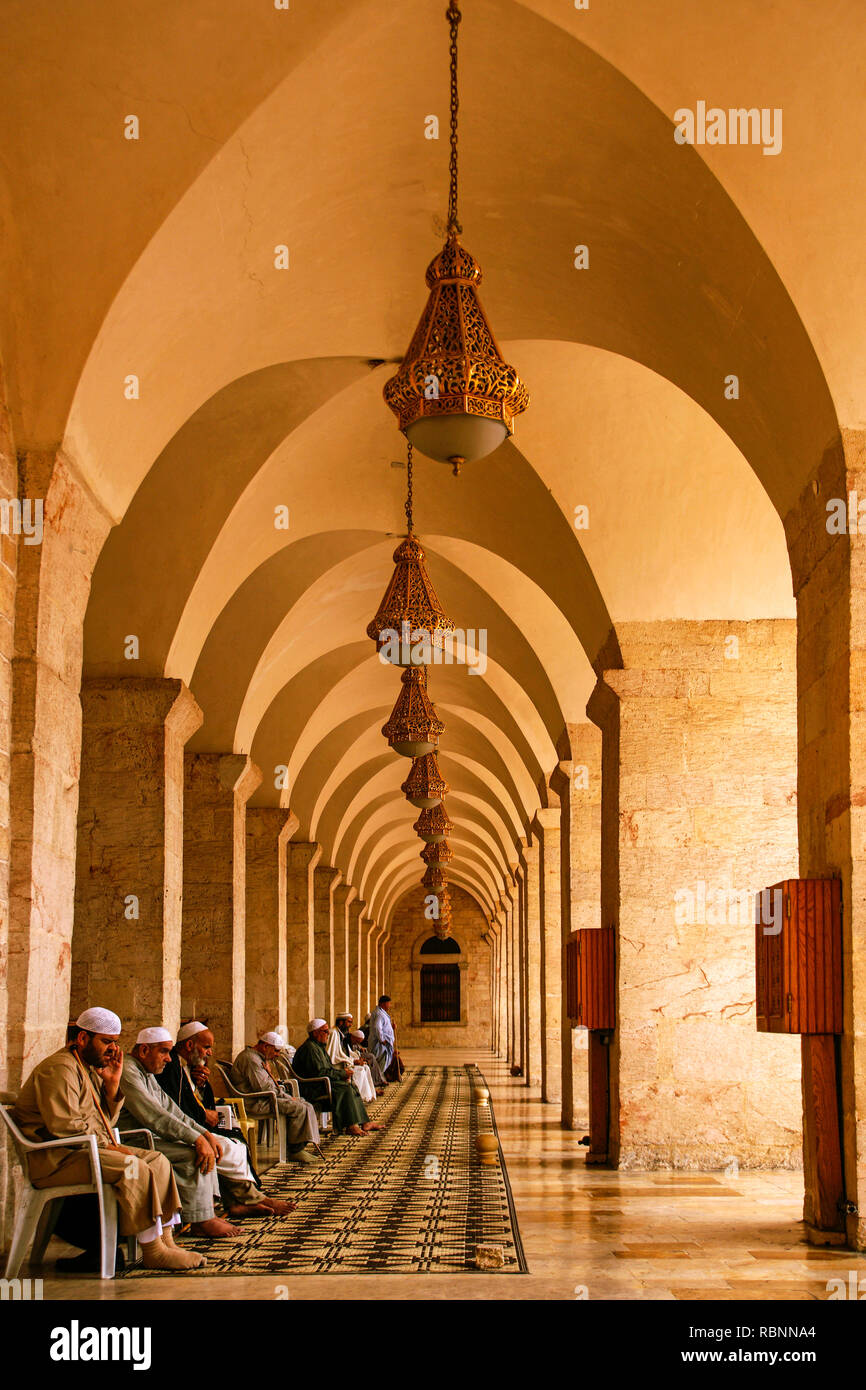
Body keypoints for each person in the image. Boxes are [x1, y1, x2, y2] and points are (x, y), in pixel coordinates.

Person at [12, 1007, 202, 1273]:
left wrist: (112, 1087)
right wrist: (112, 1147)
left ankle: (166, 1240)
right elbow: (66, 1127)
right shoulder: (59, 1069)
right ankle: (153, 1250)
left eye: (115, 1042)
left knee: (157, 1160)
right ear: (82, 1039)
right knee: (134, 1167)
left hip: (83, 1150)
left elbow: (103, 1123)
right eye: (106, 1042)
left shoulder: (86, 1068)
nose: (112, 1049)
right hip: (55, 1159)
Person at [120, 1027, 293, 1238]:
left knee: (212, 1145)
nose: (168, 1059)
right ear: (145, 1050)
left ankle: (218, 1208)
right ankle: (201, 1220)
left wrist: (203, 1134)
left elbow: (171, 1109)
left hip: (152, 1133)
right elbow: (155, 1115)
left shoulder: (144, 1071)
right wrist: (197, 1138)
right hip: (136, 1138)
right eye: (164, 1052)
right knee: (194, 1153)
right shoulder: (128, 1072)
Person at [158, 1020, 261, 1185]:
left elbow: (194, 1098)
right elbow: (174, 1106)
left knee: (236, 1144)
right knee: (230, 1149)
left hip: (197, 1126)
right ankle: (245, 1199)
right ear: (190, 1045)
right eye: (206, 1047)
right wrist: (203, 1114)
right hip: (186, 1130)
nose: (210, 1053)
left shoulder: (189, 1067)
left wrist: (201, 1085)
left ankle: (245, 1198)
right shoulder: (172, 1068)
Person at [232, 1031, 322, 1164]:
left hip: (265, 1098)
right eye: (275, 1051)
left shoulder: (258, 1058)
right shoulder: (251, 1059)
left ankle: (301, 1146)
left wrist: (284, 1093)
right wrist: (285, 1095)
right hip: (254, 1102)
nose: (277, 1055)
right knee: (298, 1107)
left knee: (305, 1104)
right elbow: (263, 1088)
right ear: (265, 1046)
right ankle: (295, 1150)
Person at [291, 1020, 384, 1136]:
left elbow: (327, 1068)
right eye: (325, 1031)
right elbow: (320, 1073)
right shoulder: (310, 1049)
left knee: (352, 1086)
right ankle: (351, 1125)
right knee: (344, 1089)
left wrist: (342, 1074)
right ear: (315, 1033)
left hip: (321, 1082)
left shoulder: (318, 1046)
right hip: (312, 1086)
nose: (328, 1034)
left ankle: (364, 1122)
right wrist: (341, 1074)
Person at [327, 1013, 377, 1101]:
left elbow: (344, 1052)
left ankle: (368, 1096)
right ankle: (354, 1098)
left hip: (343, 1062)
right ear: (341, 1022)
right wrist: (353, 1062)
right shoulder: (333, 1033)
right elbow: (333, 1055)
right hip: (337, 1066)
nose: (350, 1025)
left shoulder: (339, 1033)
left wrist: (355, 1059)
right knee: (360, 1071)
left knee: (365, 1067)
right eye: (349, 1022)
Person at [367, 995, 396, 1076]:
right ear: (384, 1003)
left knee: (382, 1062)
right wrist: (382, 1039)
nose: (390, 1006)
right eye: (389, 1003)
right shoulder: (379, 1013)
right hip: (380, 1044)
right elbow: (377, 1027)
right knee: (380, 1062)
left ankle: (379, 1079)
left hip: (383, 1043)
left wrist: (391, 1027)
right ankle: (377, 1080)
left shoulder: (380, 1012)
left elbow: (383, 1026)